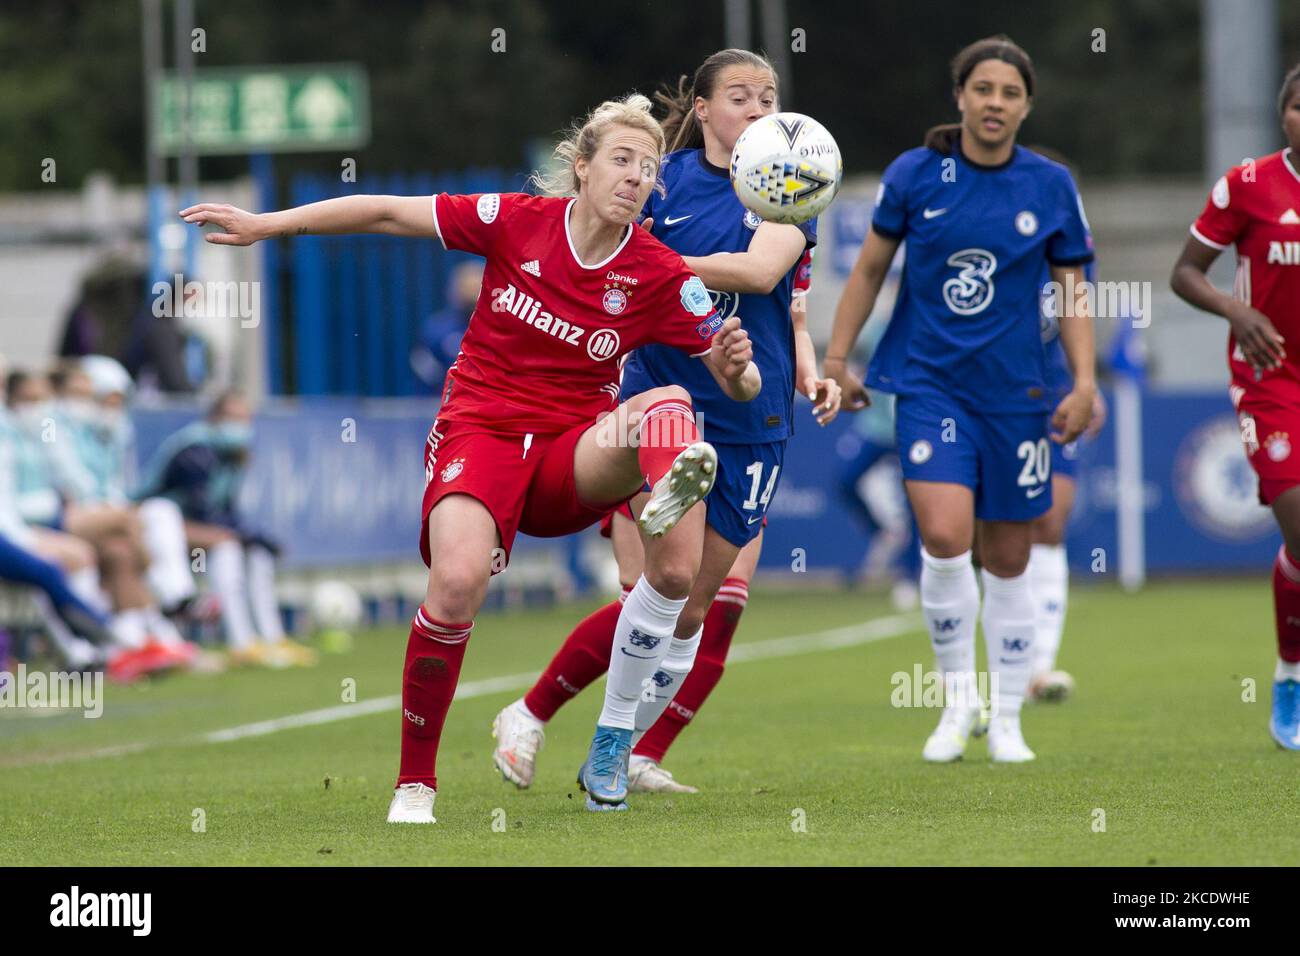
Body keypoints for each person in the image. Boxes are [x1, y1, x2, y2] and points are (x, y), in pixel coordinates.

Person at [180, 93, 762, 820]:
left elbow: (741, 379)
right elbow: (389, 213)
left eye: (648, 168)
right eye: (621, 160)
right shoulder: (515, 220)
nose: (636, 177)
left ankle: (661, 498)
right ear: (580, 167)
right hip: (479, 433)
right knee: (456, 584)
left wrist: (737, 366)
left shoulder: (658, 270)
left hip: (572, 455)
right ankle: (415, 783)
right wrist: (269, 224)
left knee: (668, 405)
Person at [493, 50, 839, 796]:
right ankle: (572, 731)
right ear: (705, 111)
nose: (757, 107)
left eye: (768, 95)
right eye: (739, 95)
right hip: (656, 404)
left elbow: (759, 273)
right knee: (655, 580)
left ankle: (621, 744)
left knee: (695, 606)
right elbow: (600, 249)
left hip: (753, 407)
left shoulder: (792, 185)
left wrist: (656, 267)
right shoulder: (661, 178)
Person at [827, 35, 1096, 763]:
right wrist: (836, 357)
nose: (995, 104)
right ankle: (956, 704)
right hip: (929, 384)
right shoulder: (917, 175)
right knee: (945, 535)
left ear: (1026, 105)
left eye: (1010, 94)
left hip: (1018, 396)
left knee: (1009, 555)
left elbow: (1073, 289)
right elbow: (869, 272)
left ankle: (1006, 718)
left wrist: (1085, 380)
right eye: (983, 90)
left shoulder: (1049, 185)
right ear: (960, 97)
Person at [1170, 62, 1300, 749]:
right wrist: (1235, 308)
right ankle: (1290, 673)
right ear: (1284, 114)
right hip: (1272, 379)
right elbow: (1184, 271)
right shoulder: (1249, 185)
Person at [134, 391, 312, 669]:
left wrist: (256, 538)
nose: (239, 426)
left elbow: (226, 510)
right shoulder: (194, 450)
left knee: (255, 552)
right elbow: (201, 510)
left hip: (193, 528)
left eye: (244, 419)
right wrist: (244, 535)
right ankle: (240, 642)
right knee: (227, 547)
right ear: (214, 418)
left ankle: (271, 638)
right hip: (154, 524)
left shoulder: (233, 454)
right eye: (232, 417)